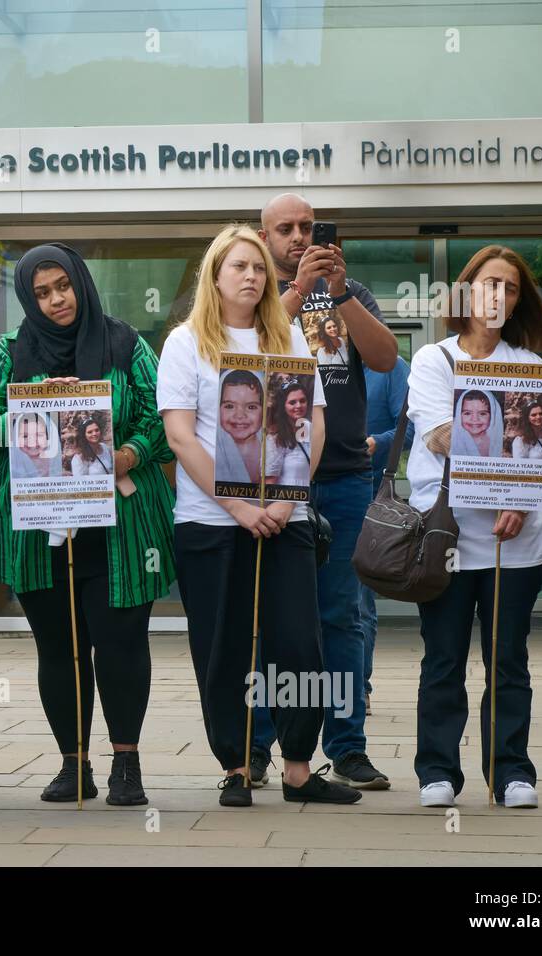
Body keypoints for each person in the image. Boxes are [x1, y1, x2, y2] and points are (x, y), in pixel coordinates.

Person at [0, 242, 177, 806]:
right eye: (42, 292)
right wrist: (31, 410)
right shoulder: (10, 352)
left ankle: (126, 764)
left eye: (64, 286)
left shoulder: (125, 342)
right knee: (59, 647)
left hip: (119, 527)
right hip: (39, 529)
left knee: (122, 642)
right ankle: (72, 763)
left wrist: (128, 453)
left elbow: (164, 414)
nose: (57, 300)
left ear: (81, 282)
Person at [159, 223, 359, 808]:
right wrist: (241, 508)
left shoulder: (290, 338)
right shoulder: (185, 342)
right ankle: (237, 765)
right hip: (212, 524)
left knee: (298, 645)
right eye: (237, 267)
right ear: (214, 278)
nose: (250, 276)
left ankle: (299, 769)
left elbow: (312, 425)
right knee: (222, 647)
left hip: (286, 520)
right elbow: (179, 436)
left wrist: (282, 503)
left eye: (256, 268)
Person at [406, 245, 542, 810]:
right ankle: (437, 771)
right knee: (443, 657)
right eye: (489, 283)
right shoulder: (432, 360)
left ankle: (512, 770)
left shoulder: (534, 368)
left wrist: (519, 497)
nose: (499, 295)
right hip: (446, 536)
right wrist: (510, 465)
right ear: (467, 291)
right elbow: (443, 436)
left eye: (511, 288)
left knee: (508, 658)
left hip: (515, 541)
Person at [256, 192, 397, 791]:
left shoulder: (350, 292)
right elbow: (244, 350)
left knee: (342, 618)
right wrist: (293, 292)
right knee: (269, 620)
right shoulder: (254, 294)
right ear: (263, 237)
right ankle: (257, 744)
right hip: (266, 483)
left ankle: (347, 746)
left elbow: (386, 357)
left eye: (307, 227)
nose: (298, 236)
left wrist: (337, 292)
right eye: (284, 228)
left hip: (341, 478)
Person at [360, 354, 414, 715]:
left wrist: (376, 443)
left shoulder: (391, 366)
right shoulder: (308, 358)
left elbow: (409, 428)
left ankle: (356, 689)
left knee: (357, 601)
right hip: (303, 492)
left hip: (366, 494)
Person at [214, 369, 265, 485]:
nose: (240, 415)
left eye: (251, 407)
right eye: (229, 406)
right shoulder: (211, 451)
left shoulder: (276, 450)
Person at [264, 379, 313, 488]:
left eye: (302, 400)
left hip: (311, 501)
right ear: (283, 406)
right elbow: (269, 484)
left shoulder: (312, 429)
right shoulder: (275, 438)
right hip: (287, 502)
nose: (298, 406)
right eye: (292, 402)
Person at [452, 389, 502, 458]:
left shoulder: (499, 441)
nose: (475, 419)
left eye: (482, 413)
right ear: (458, 415)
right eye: (467, 413)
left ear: (493, 416)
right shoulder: (453, 440)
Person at [9, 411, 59, 479]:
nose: (32, 441)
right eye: (25, 436)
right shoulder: (14, 462)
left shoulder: (54, 459)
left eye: (39, 435)